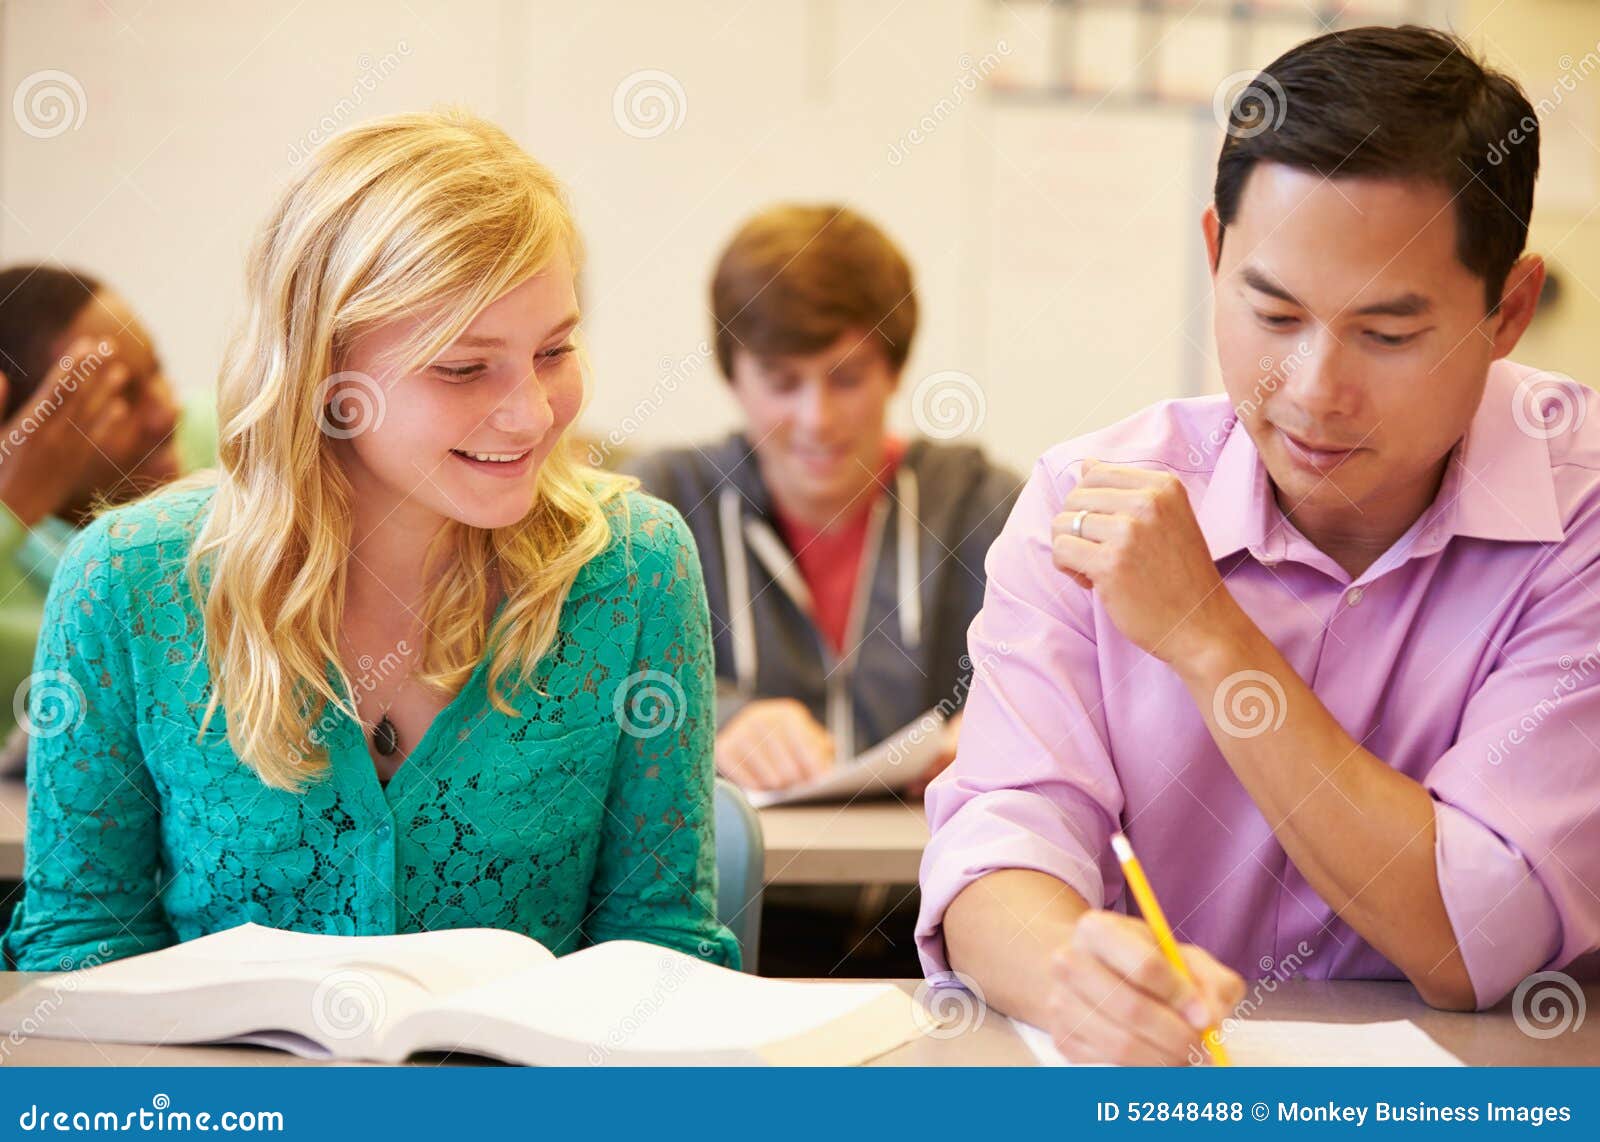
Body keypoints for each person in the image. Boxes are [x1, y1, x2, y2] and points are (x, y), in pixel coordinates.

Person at [918, 24, 1600, 1064]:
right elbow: (998, 843)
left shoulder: (1578, 516)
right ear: (1214, 255)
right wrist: (1072, 976)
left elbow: (1478, 936)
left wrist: (1207, 634)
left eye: (1388, 334)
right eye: (1274, 314)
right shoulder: (1086, 496)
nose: (1315, 391)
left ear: (1505, 311)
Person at [2, 110, 737, 971]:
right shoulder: (127, 579)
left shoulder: (634, 567)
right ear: (325, 371)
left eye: (554, 351)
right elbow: (78, 943)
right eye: (463, 367)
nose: (533, 414)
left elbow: (663, 949)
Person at [629, 205, 1019, 975]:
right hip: (728, 946)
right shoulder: (660, 506)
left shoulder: (982, 506)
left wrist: (1002, 726)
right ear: (733, 376)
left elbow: (1070, 680)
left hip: (936, 942)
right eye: (782, 383)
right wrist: (715, 723)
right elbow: (589, 692)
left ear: (894, 370)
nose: (817, 418)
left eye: (847, 377)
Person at [0, 266, 209, 762]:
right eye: (123, 394)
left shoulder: (216, 434)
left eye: (157, 371)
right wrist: (10, 505)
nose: (165, 412)